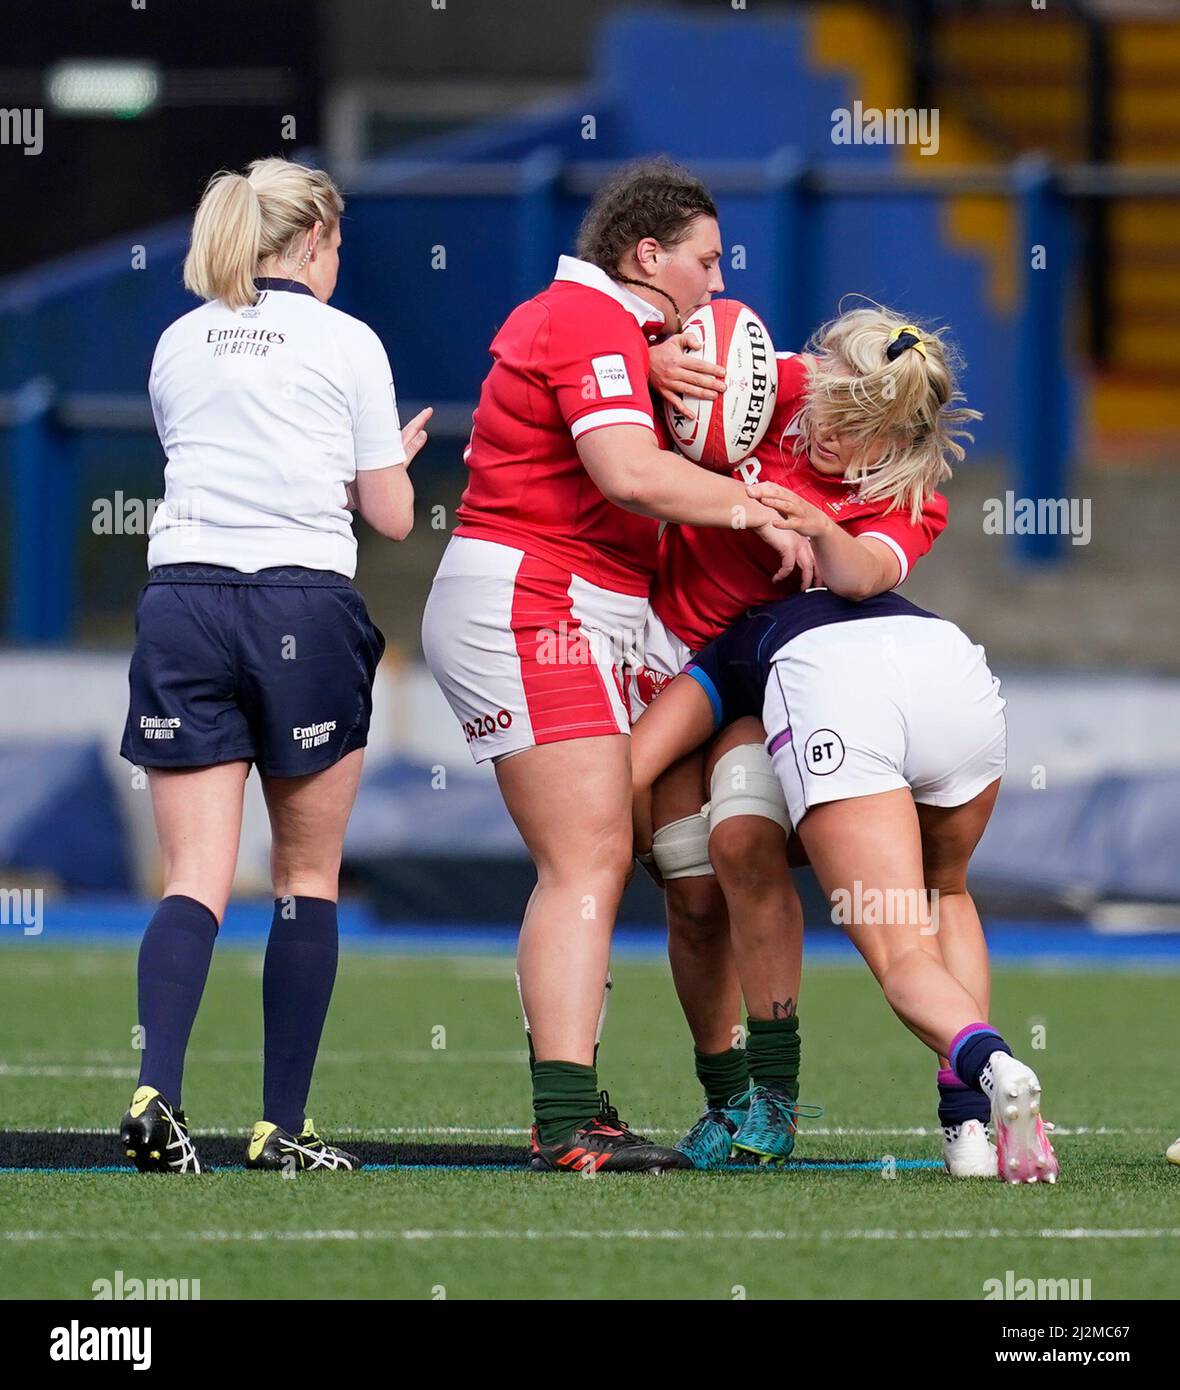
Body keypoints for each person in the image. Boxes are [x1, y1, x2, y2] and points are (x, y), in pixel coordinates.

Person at [421, 158, 809, 1174]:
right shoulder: (584, 316)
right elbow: (627, 473)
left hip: (578, 608)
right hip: (534, 600)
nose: (717, 284)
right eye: (705, 260)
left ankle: (698, 1100)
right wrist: (758, 506)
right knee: (585, 857)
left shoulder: (615, 331)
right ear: (647, 255)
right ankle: (565, 1117)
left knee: (675, 858)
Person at [118, 157, 430, 1174]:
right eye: (337, 245)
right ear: (313, 241)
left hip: (185, 599)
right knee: (303, 876)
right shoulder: (347, 340)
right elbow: (387, 512)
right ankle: (278, 1129)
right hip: (301, 599)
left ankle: (156, 1093)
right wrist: (386, 458)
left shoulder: (177, 338)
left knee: (194, 874)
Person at [638, 308, 992, 1174]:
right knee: (686, 889)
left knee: (743, 844)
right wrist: (659, 365)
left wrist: (816, 525)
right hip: (663, 655)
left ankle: (782, 1096)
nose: (831, 436)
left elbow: (863, 573)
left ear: (899, 440)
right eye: (831, 409)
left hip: (775, 675)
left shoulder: (912, 497)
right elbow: (662, 373)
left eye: (861, 432)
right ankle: (723, 1096)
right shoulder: (779, 380)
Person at [630, 584, 1059, 1185]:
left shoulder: (723, 653)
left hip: (841, 691)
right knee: (946, 891)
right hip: (952, 671)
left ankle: (993, 1064)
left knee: (901, 951)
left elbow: (634, 763)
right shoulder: (857, 588)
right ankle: (967, 1130)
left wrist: (620, 853)